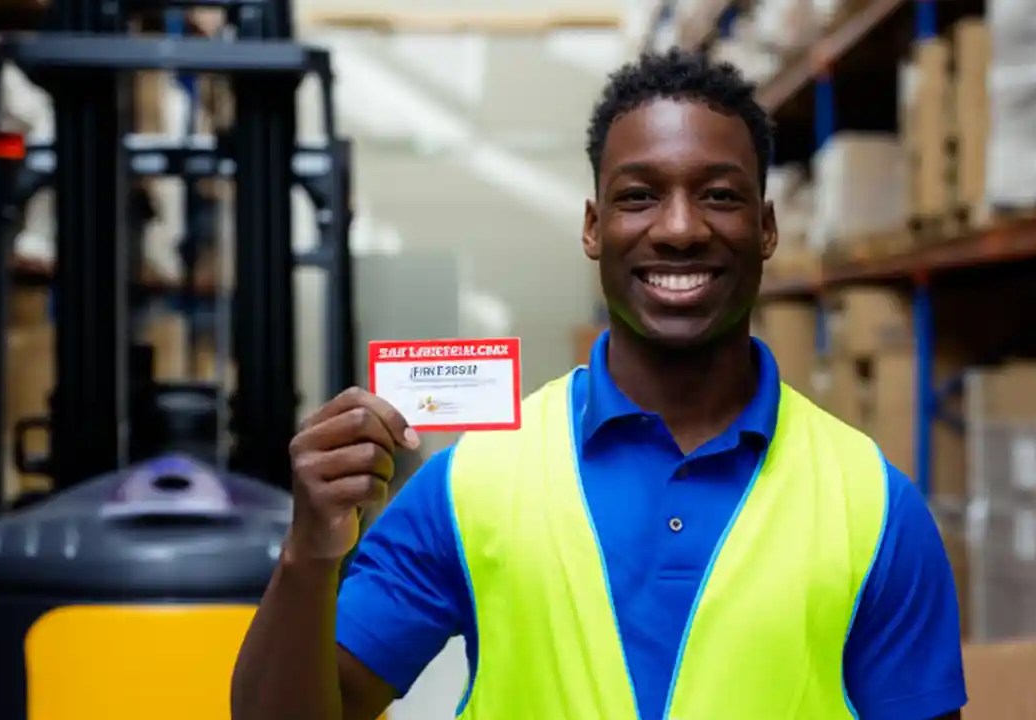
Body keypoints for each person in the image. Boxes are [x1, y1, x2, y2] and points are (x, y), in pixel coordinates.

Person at [232, 48, 967, 720]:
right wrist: (309, 555)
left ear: (767, 227)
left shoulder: (873, 508)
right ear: (592, 226)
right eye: (639, 195)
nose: (680, 228)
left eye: (718, 195)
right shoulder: (476, 483)